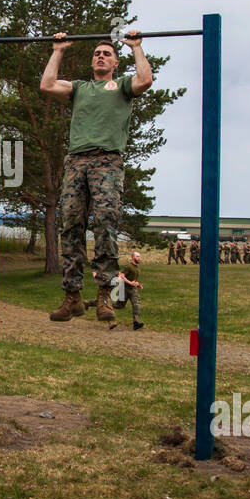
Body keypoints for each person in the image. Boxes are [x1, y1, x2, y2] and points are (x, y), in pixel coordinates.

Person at [42, 30, 154, 323]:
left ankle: (104, 294)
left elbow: (145, 80)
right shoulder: (79, 87)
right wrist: (58, 50)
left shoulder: (122, 86)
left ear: (116, 63)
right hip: (77, 160)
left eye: (106, 54)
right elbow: (47, 84)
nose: (100, 56)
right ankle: (73, 297)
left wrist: (136, 48)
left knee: (105, 221)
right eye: (96, 54)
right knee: (71, 225)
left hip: (107, 160)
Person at [114, 250, 145, 330]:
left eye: (139, 256)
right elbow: (121, 276)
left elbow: (133, 280)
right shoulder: (129, 266)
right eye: (137, 256)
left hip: (132, 290)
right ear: (133, 257)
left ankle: (136, 323)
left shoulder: (137, 268)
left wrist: (138, 285)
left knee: (136, 304)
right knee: (119, 306)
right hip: (124, 289)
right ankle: (104, 304)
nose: (139, 258)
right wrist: (130, 283)